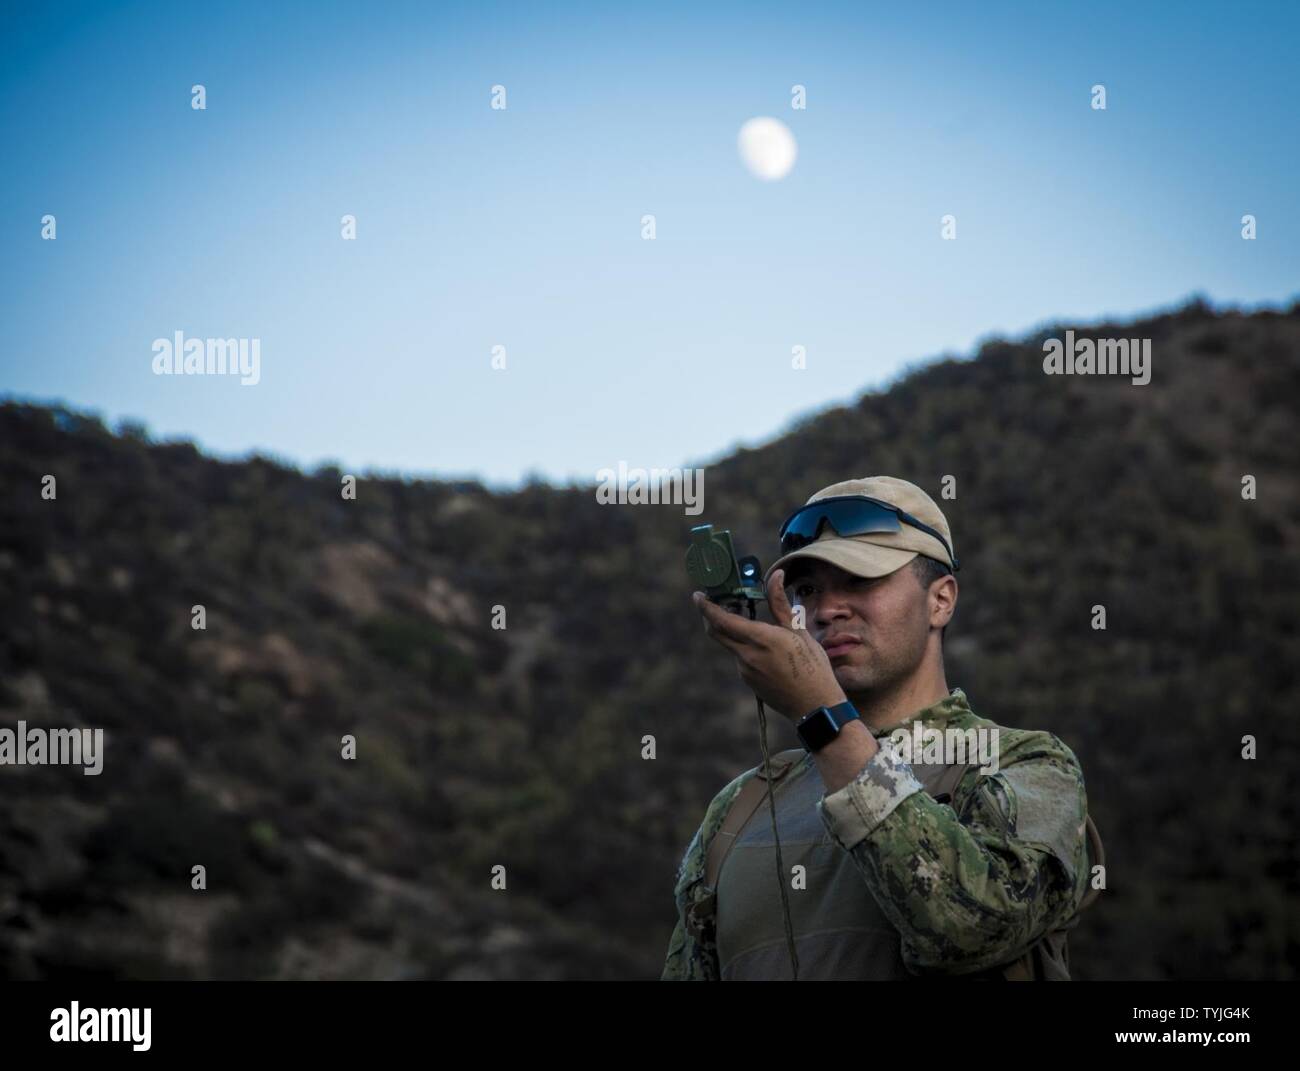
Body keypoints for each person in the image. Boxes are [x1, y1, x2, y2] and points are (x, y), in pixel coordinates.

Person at [660, 476, 1093, 980]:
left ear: (941, 600)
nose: (826, 610)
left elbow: (974, 929)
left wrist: (823, 717)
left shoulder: (1025, 765)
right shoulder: (741, 806)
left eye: (860, 581)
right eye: (806, 590)